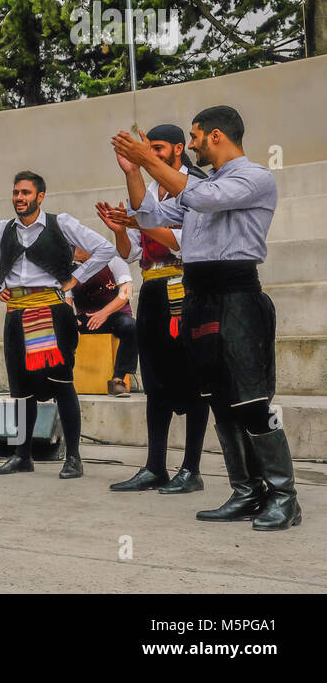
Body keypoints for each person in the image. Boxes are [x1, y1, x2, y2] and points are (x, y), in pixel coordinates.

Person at [110, 106, 300, 530]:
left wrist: (150, 159)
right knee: (219, 400)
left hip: (237, 295)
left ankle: (284, 496)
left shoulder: (252, 177)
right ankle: (247, 492)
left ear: (216, 136)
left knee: (251, 400)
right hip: (201, 296)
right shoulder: (204, 183)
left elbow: (199, 198)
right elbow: (150, 216)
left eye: (194, 136)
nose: (191, 144)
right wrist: (134, 170)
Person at [96, 124, 211, 495]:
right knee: (156, 380)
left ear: (179, 149)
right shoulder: (142, 192)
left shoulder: (195, 185)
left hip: (184, 284)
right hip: (153, 288)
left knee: (192, 379)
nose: (153, 155)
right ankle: (155, 466)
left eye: (158, 149)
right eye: (150, 150)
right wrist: (121, 227)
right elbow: (129, 253)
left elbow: (184, 241)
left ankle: (191, 469)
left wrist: (143, 222)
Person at [0, 172, 115, 479]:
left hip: (52, 313)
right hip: (15, 313)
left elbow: (105, 249)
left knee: (62, 384)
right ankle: (21, 455)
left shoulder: (61, 223)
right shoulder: (3, 229)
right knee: (20, 390)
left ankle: (74, 457)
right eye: (16, 192)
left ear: (40, 196)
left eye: (26, 192)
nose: (19, 198)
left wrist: (75, 279)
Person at [69, 248, 139, 397]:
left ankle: (118, 379)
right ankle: (65, 382)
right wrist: (70, 322)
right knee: (62, 328)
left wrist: (104, 313)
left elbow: (126, 292)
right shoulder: (69, 269)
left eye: (73, 246)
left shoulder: (113, 260)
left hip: (114, 315)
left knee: (131, 327)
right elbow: (67, 301)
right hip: (86, 317)